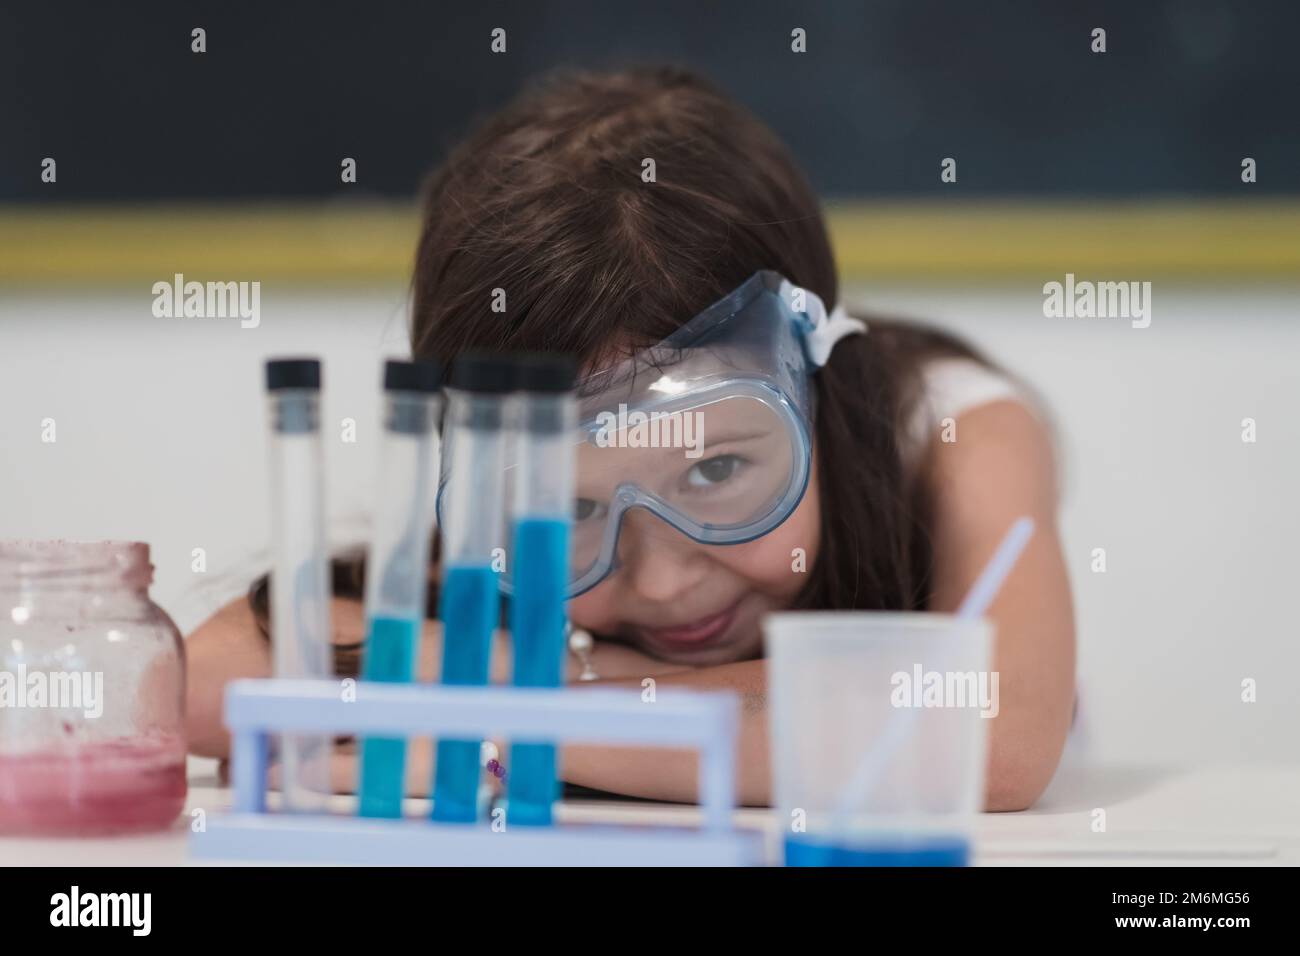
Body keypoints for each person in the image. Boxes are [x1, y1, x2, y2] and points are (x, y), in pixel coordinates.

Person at [186, 66, 1075, 810]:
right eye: (571, 505)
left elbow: (995, 733)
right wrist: (574, 689)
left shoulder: (956, 427)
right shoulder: (506, 549)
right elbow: (202, 681)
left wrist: (514, 726)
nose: (661, 578)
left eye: (716, 467)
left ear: (816, 384)